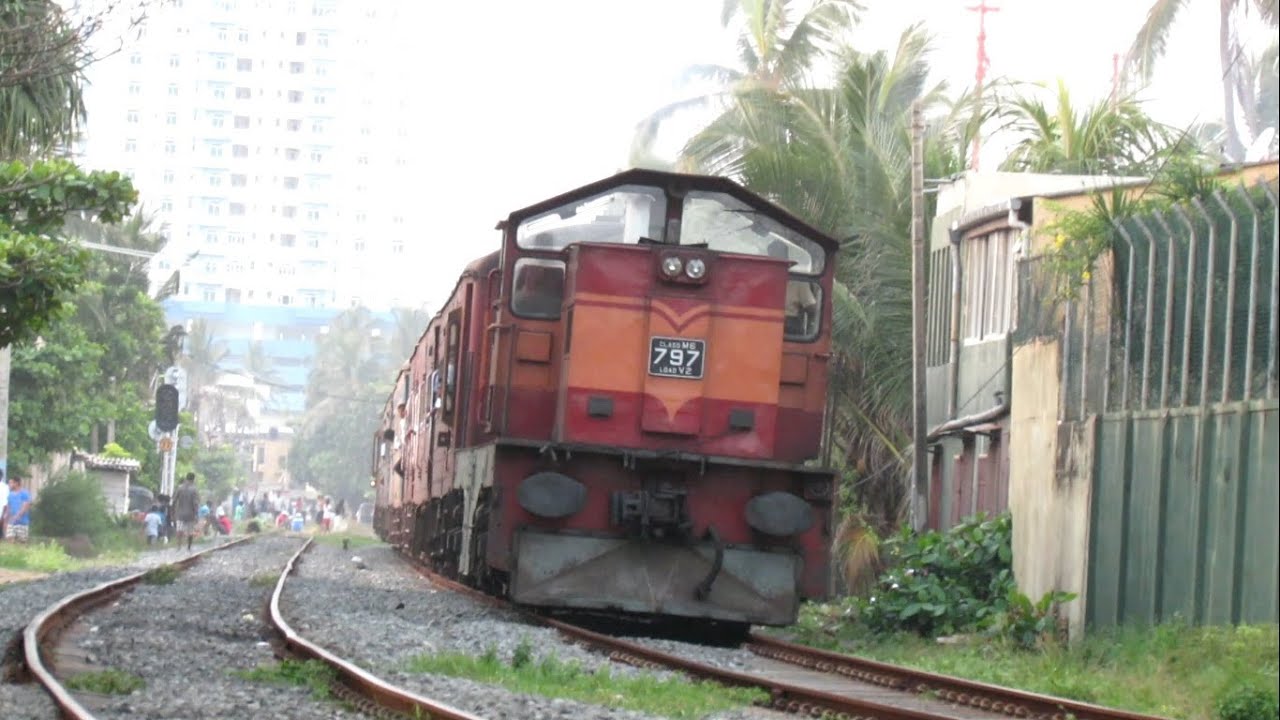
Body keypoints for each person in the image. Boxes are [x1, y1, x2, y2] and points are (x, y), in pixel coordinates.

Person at [173, 473, 201, 551]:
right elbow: (195, 503)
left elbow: (174, 500)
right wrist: (196, 514)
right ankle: (189, 547)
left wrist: (173, 512)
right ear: (193, 479)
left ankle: (178, 546)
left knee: (179, 529)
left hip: (180, 513)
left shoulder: (179, 488)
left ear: (186, 478)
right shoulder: (194, 489)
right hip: (190, 514)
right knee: (190, 531)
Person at [5, 475, 32, 544]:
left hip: (22, 522)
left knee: (21, 542)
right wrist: (6, 520)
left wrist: (17, 516)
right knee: (10, 539)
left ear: (16, 483)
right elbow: (8, 508)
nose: (10, 484)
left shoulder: (25, 493)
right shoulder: (10, 495)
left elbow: (25, 506)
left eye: (12, 483)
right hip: (11, 522)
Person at [0, 468, 8, 541]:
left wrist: (3, 516)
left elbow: (6, 503)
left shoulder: (5, 487)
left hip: (2, 515)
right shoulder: (6, 487)